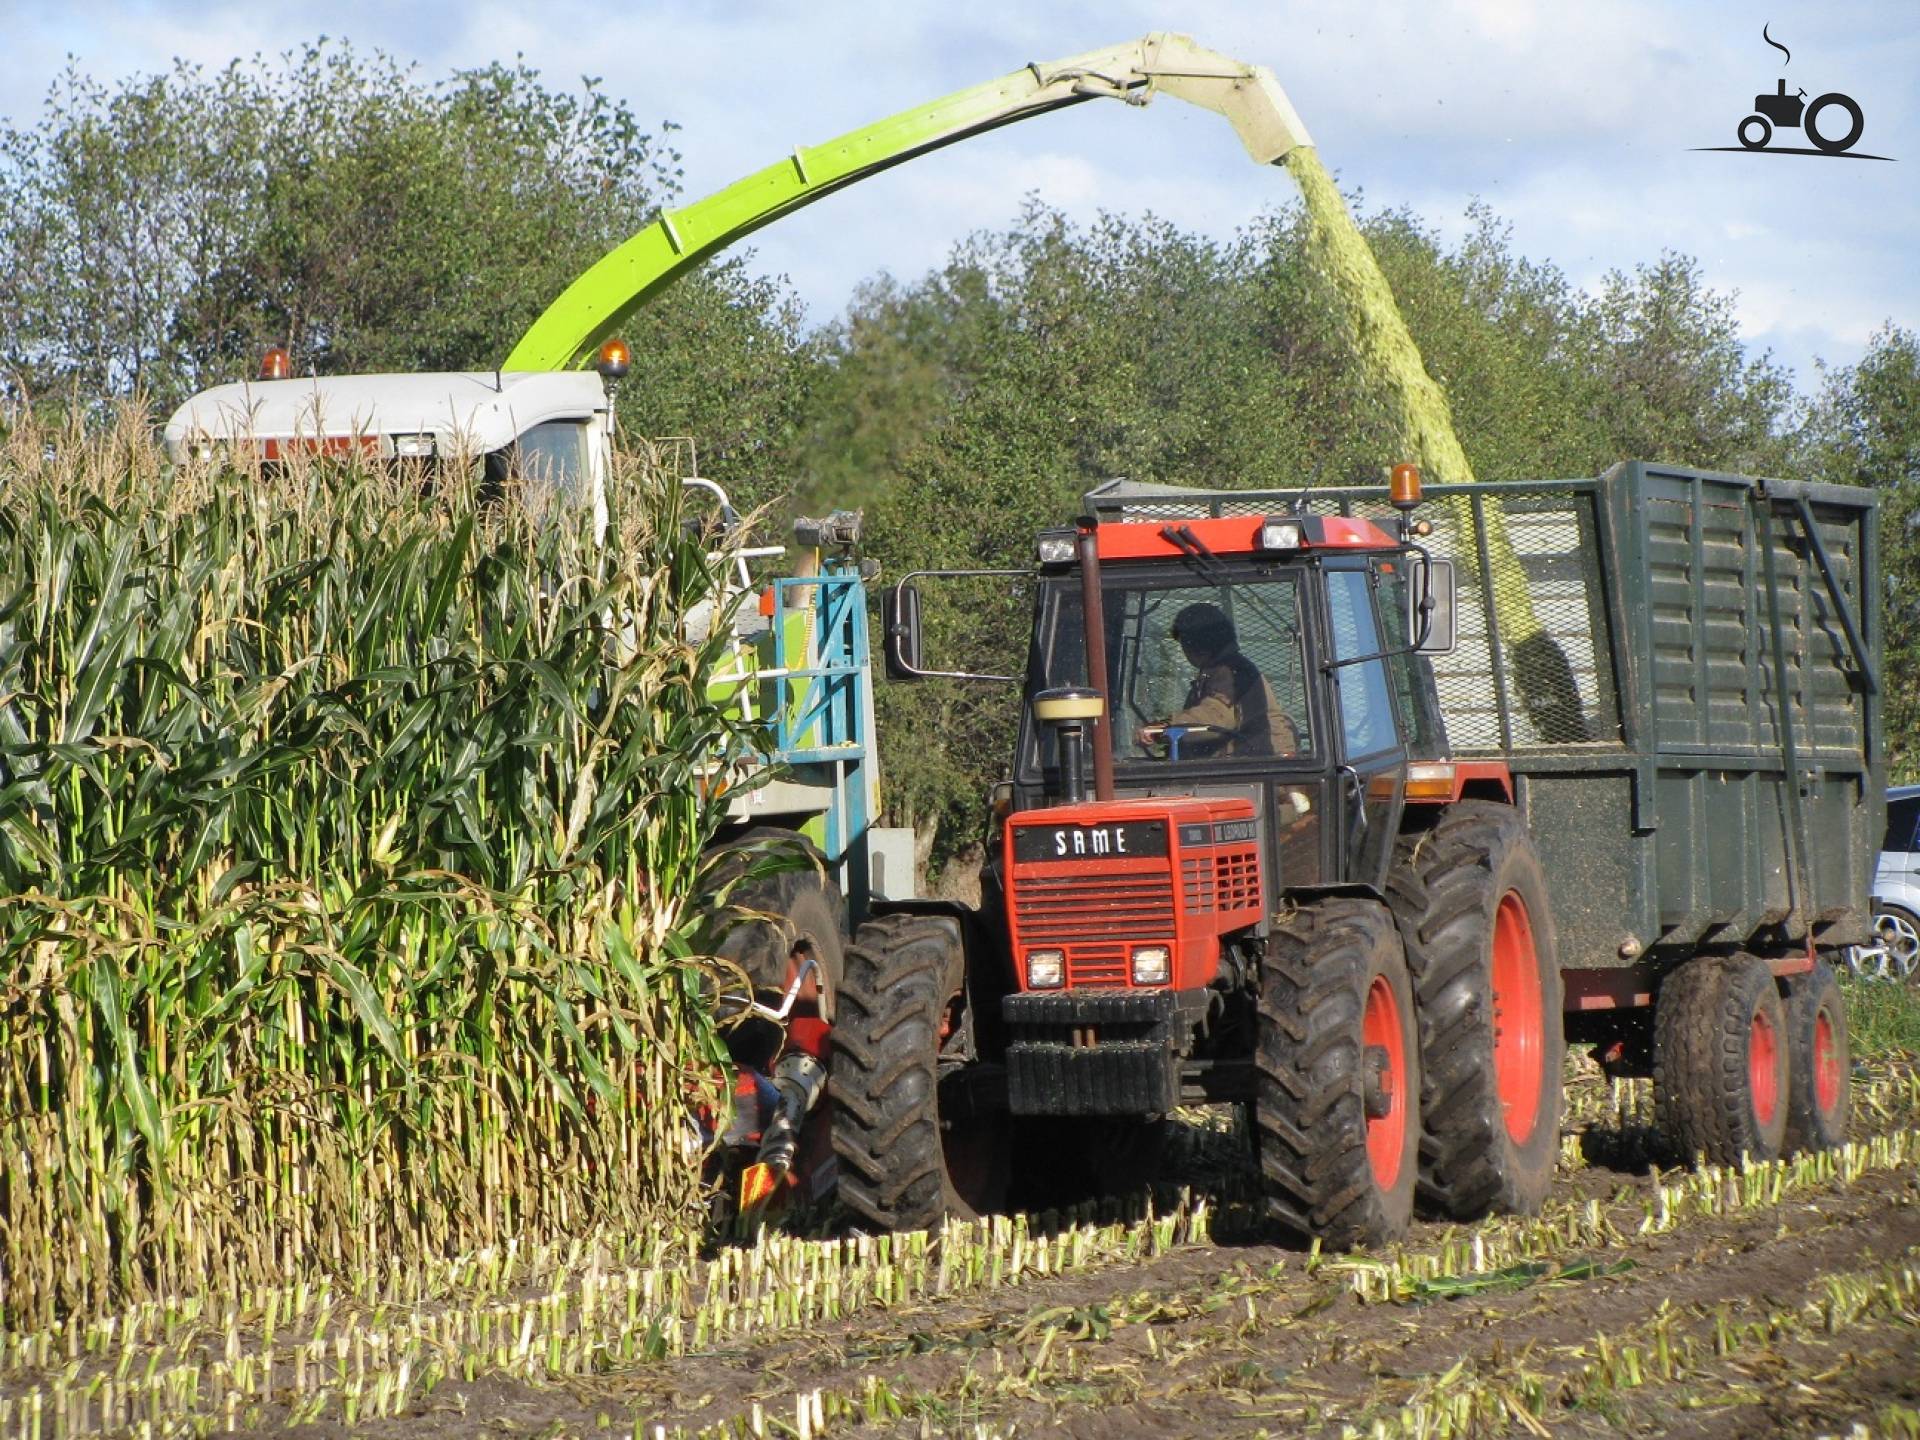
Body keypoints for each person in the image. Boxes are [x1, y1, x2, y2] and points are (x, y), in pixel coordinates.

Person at [1138, 603, 1299, 758]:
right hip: (1249, 759)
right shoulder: (1222, 669)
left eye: (1183, 644)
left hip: (1259, 763)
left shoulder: (1230, 671)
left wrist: (1165, 728)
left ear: (1194, 643)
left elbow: (1216, 717)